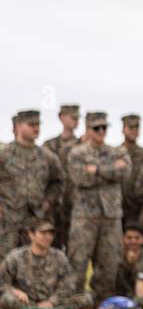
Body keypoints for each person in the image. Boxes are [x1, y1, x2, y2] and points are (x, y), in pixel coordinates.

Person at [67, 111, 130, 304]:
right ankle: (74, 303)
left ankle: (104, 304)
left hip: (111, 217)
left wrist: (97, 170)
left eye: (104, 128)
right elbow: (80, 178)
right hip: (85, 217)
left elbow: (125, 172)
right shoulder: (77, 153)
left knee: (109, 263)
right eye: (97, 128)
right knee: (78, 262)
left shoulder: (118, 152)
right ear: (88, 129)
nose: (101, 132)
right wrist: (111, 170)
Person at [0, 109, 64, 258]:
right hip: (8, 222)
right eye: (31, 124)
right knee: (5, 265)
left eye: (38, 125)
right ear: (19, 126)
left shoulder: (47, 157)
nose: (36, 128)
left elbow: (58, 182)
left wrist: (48, 202)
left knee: (34, 264)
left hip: (36, 222)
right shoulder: (4, 155)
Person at [1, 219, 92, 309]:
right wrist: (15, 291)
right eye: (43, 233)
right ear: (31, 235)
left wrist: (52, 302)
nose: (48, 237)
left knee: (86, 299)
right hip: (27, 302)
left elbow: (68, 285)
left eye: (51, 233)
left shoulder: (60, 257)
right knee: (7, 299)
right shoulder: (16, 257)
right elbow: (2, 282)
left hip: (53, 304)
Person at [42, 104, 81, 249]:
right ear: (62, 118)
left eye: (77, 118)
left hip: (74, 206)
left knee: (74, 249)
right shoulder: (49, 145)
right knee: (51, 247)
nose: (76, 121)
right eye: (72, 117)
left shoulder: (82, 145)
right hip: (53, 207)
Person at [118, 114, 143, 236]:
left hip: (141, 209)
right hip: (118, 208)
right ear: (123, 129)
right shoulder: (113, 153)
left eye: (136, 128)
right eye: (130, 127)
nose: (134, 131)